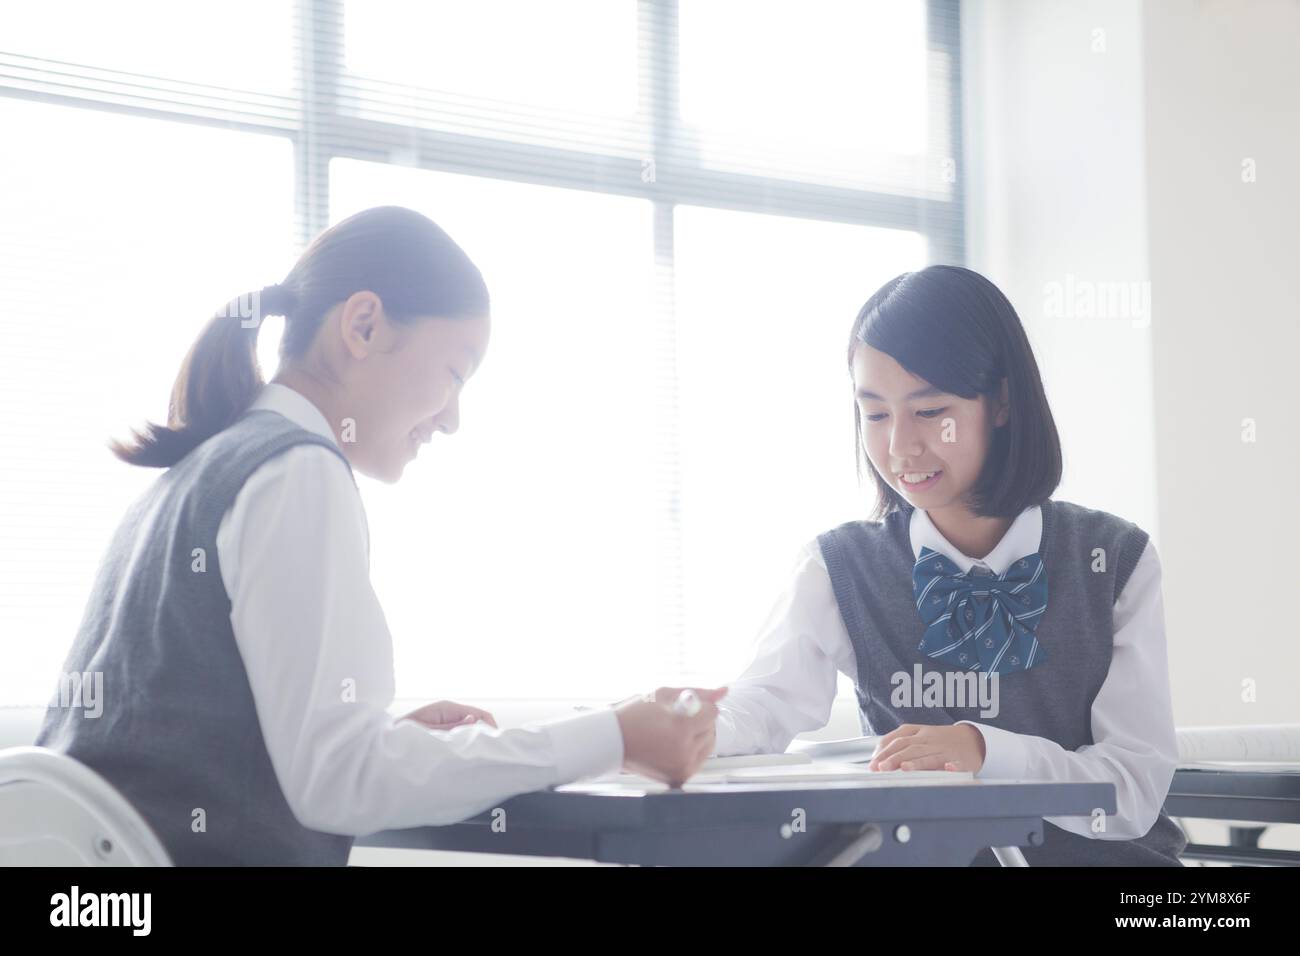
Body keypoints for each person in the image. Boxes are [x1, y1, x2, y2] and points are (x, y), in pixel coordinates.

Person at [36, 205, 723, 866]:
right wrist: (614, 735)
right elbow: (340, 781)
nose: (452, 419)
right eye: (455, 373)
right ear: (363, 325)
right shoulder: (296, 471)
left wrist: (390, 745)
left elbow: (256, 753)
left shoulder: (199, 473)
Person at [650, 265, 1185, 866]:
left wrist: (983, 752)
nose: (900, 447)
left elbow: (1133, 792)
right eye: (875, 415)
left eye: (930, 412)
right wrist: (691, 726)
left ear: (1002, 402)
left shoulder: (1112, 560)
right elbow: (767, 703)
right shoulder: (839, 567)